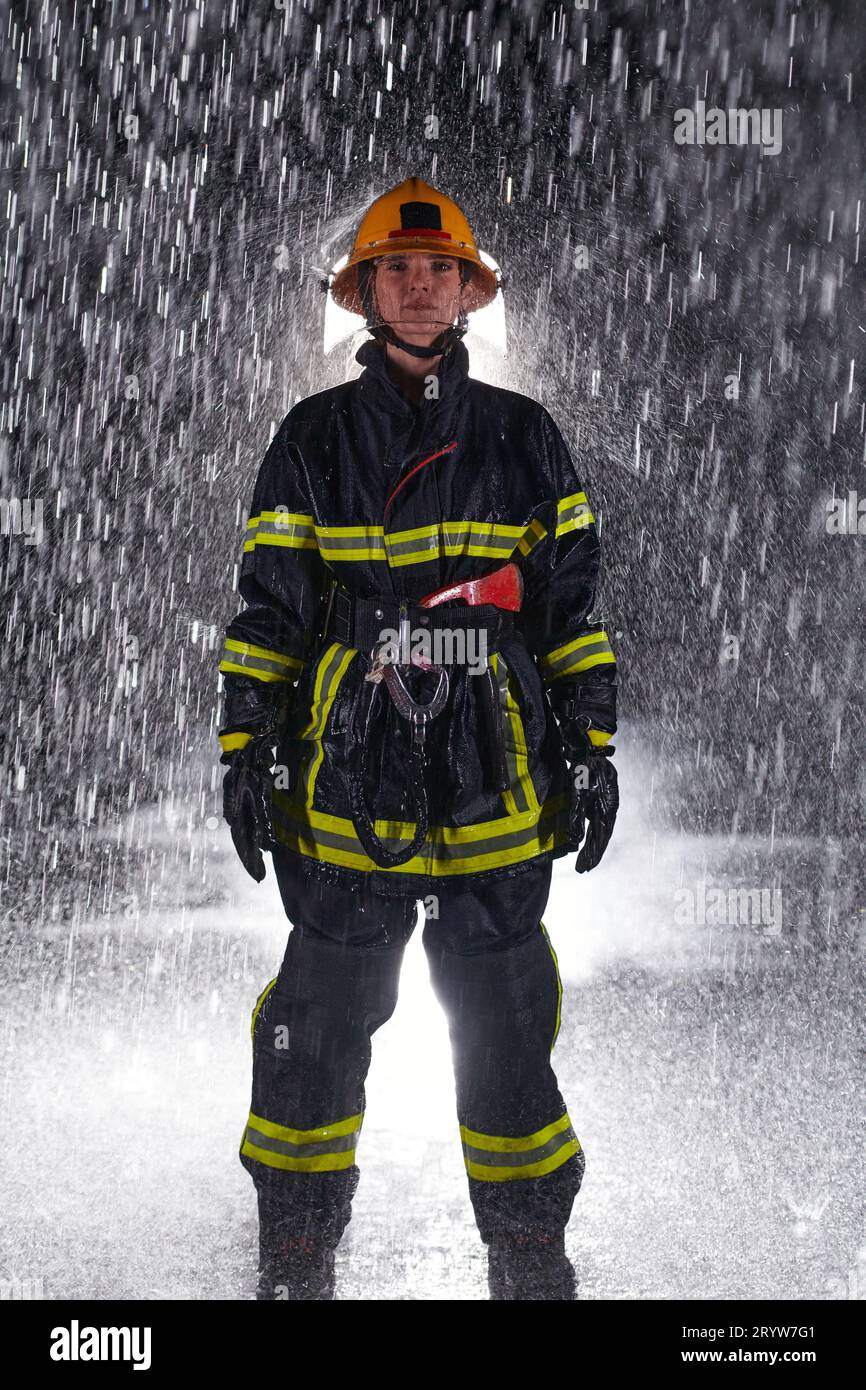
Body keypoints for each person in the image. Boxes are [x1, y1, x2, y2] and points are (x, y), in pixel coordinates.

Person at [218, 177, 619, 1300]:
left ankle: (527, 1243)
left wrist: (588, 745)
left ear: (467, 292)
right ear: (363, 292)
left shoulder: (522, 437)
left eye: (438, 270)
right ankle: (298, 1237)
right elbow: (270, 603)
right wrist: (245, 744)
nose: (418, 286)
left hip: (494, 761)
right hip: (348, 762)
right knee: (322, 1006)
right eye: (395, 270)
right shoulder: (311, 438)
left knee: (500, 1010)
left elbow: (568, 611)